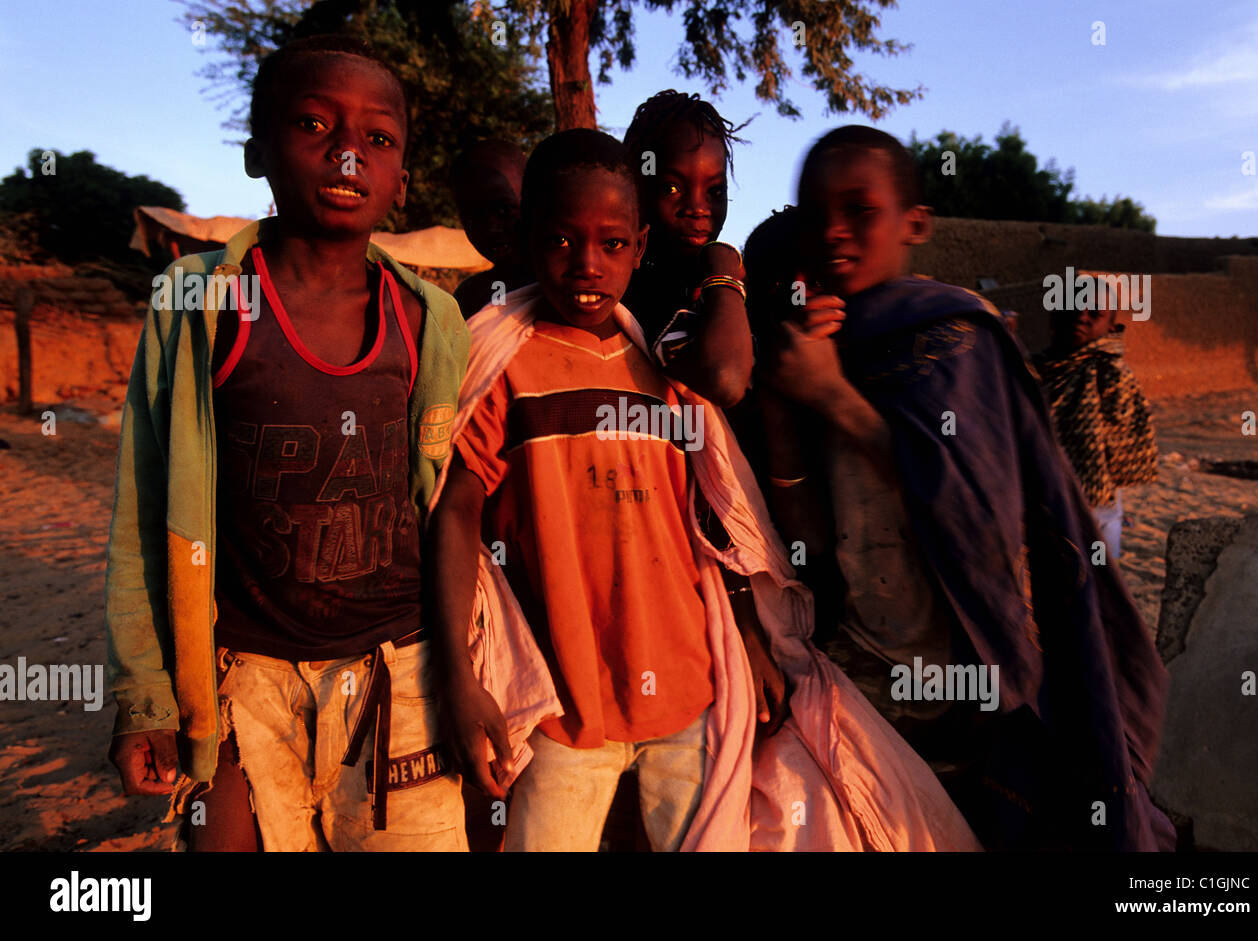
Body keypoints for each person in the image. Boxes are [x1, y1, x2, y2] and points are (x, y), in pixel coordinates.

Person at [425, 128, 980, 853]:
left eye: (613, 243)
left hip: (689, 693)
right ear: (527, 240)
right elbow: (455, 507)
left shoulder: (663, 367)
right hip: (565, 707)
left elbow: (712, 518)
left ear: (639, 242)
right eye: (560, 241)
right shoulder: (503, 365)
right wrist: (461, 677)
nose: (587, 264)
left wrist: (749, 632)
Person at [757, 125, 1173, 851]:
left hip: (962, 674)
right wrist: (794, 391)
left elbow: (979, 515)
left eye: (860, 210)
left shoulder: (957, 339)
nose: (834, 232)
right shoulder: (818, 339)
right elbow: (807, 535)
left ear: (916, 223)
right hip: (863, 666)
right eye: (815, 211)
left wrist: (834, 398)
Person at [105, 35, 470, 852]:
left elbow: (441, 496)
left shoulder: (427, 322)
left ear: (401, 176)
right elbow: (142, 510)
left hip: (397, 673)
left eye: (378, 138)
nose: (347, 152)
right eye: (313, 124)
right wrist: (144, 699)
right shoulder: (200, 304)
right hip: (240, 675)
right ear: (257, 153)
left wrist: (464, 675)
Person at [620, 91, 753, 407]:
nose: (697, 208)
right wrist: (723, 270)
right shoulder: (639, 287)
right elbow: (725, 380)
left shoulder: (704, 282)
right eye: (671, 188)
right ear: (634, 186)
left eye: (715, 191)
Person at [1034, 298, 1158, 560]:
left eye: (1095, 314)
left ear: (1111, 329)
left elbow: (1125, 432)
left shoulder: (1110, 372)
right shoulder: (1033, 371)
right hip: (1039, 493)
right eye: (1073, 308)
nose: (1081, 317)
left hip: (1096, 499)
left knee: (1095, 577)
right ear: (1054, 318)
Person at [451, 139, 532, 318]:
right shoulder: (472, 297)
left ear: (535, 199)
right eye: (472, 216)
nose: (491, 228)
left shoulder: (568, 286)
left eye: (504, 209)